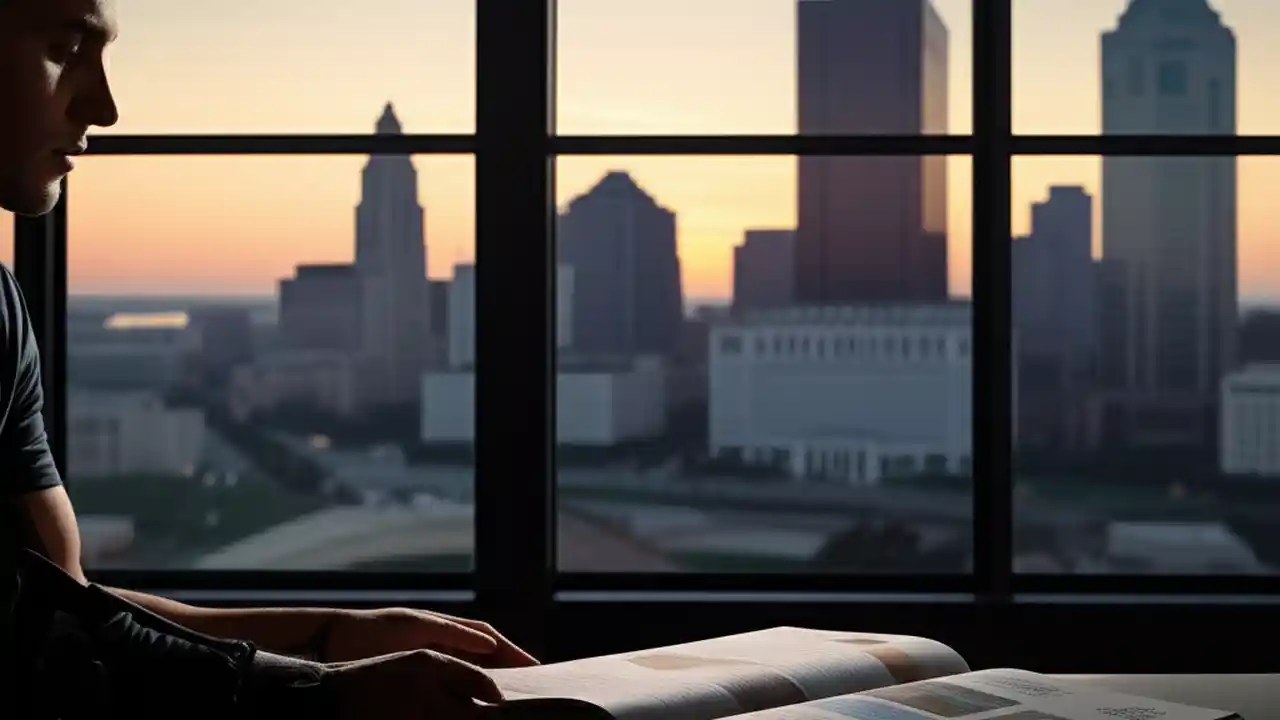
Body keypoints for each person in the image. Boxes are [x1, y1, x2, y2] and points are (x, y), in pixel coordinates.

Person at [1, 0, 537, 716]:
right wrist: (327, 691)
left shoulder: (0, 302)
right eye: (66, 50)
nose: (105, 107)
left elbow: (64, 608)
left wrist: (333, 637)